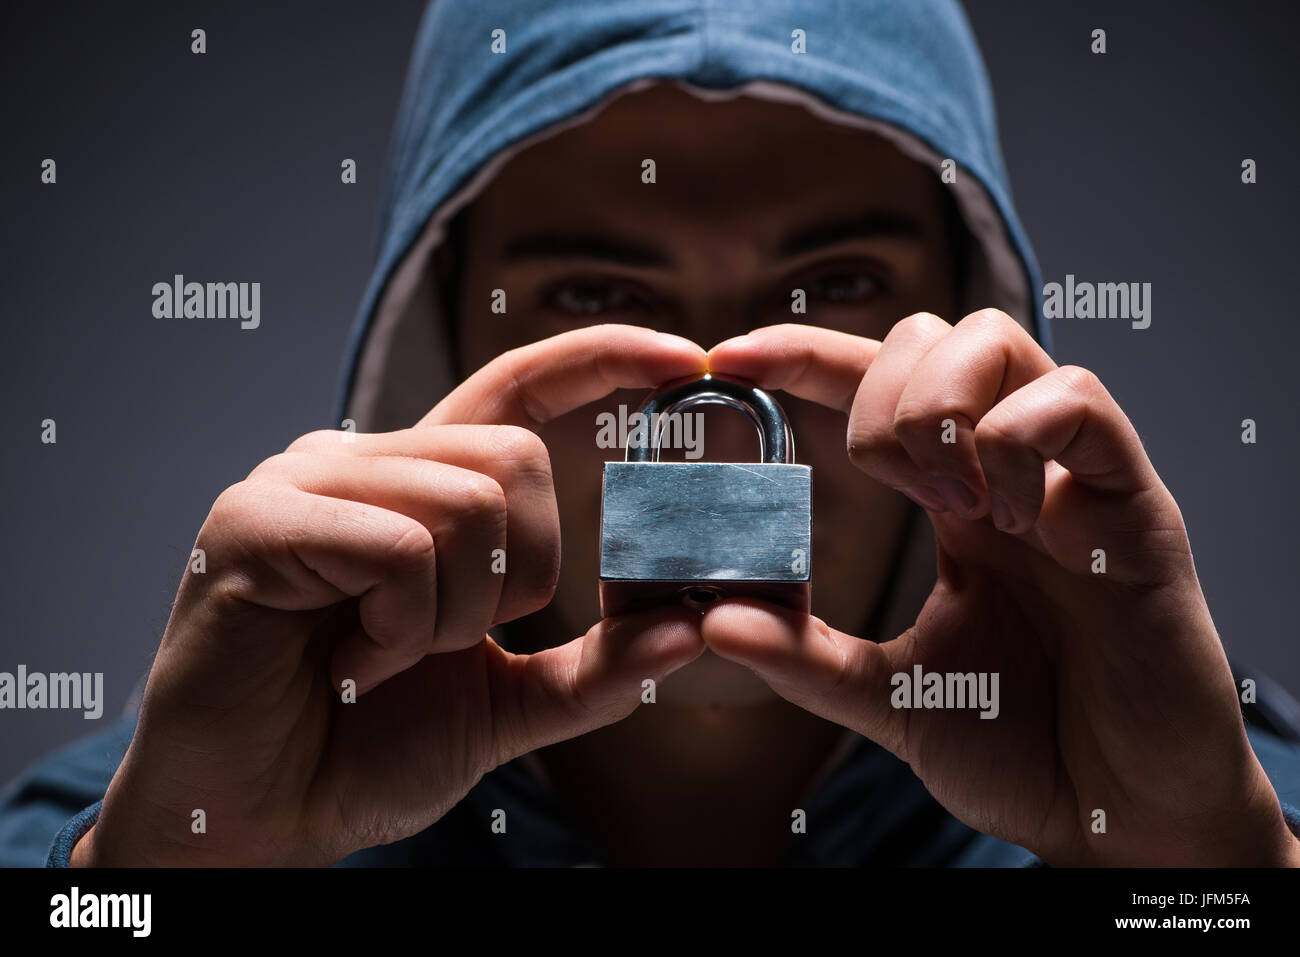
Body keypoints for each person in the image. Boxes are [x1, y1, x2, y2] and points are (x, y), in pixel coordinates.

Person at [3, 0, 1299, 868]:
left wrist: (1199, 875)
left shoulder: (1212, 782)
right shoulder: (127, 814)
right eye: (592, 292)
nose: (714, 421)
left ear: (963, 317)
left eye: (831, 281)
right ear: (441, 348)